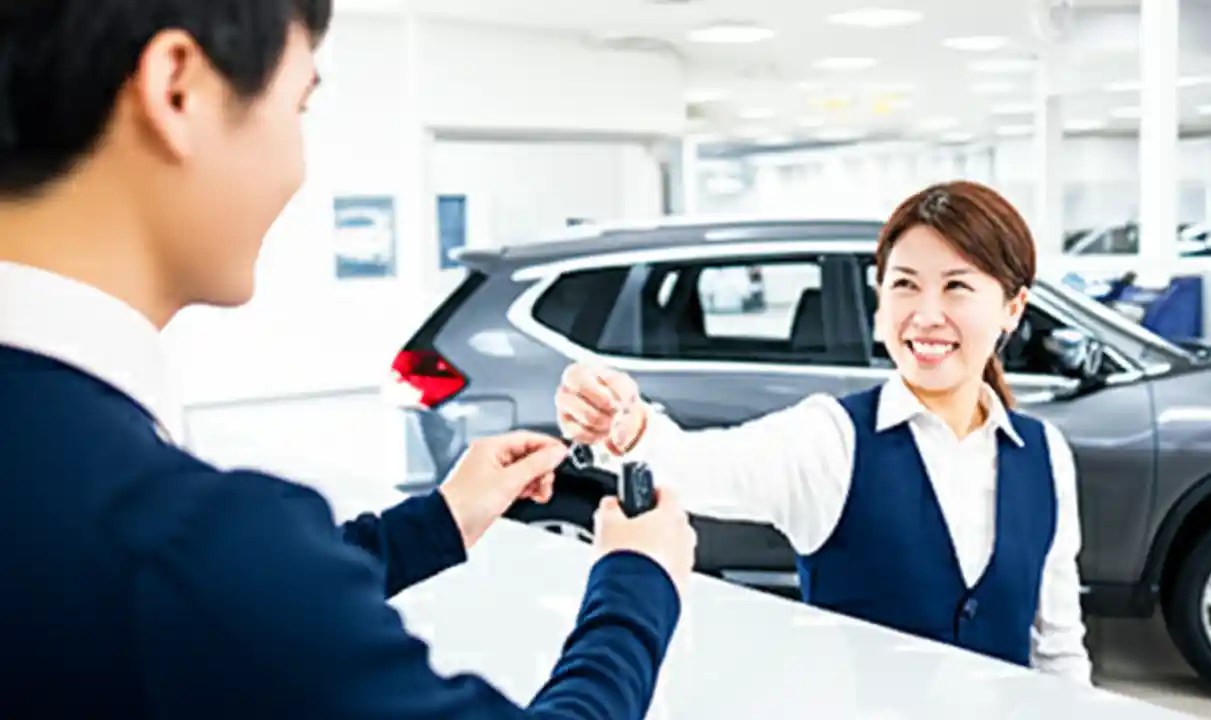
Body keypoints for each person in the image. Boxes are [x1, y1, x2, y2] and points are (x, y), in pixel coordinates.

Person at [0, 2, 696, 718]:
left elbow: (229, 612)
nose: (298, 168)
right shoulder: (178, 544)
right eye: (298, 105)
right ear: (180, 89)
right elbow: (214, 599)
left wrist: (439, 522)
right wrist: (637, 582)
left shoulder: (92, 507)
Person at [557, 181, 1094, 684]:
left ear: (1012, 308)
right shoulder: (832, 440)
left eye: (957, 287)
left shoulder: (1043, 453)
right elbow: (698, 464)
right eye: (905, 284)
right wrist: (621, 423)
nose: (926, 314)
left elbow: (1057, 649)